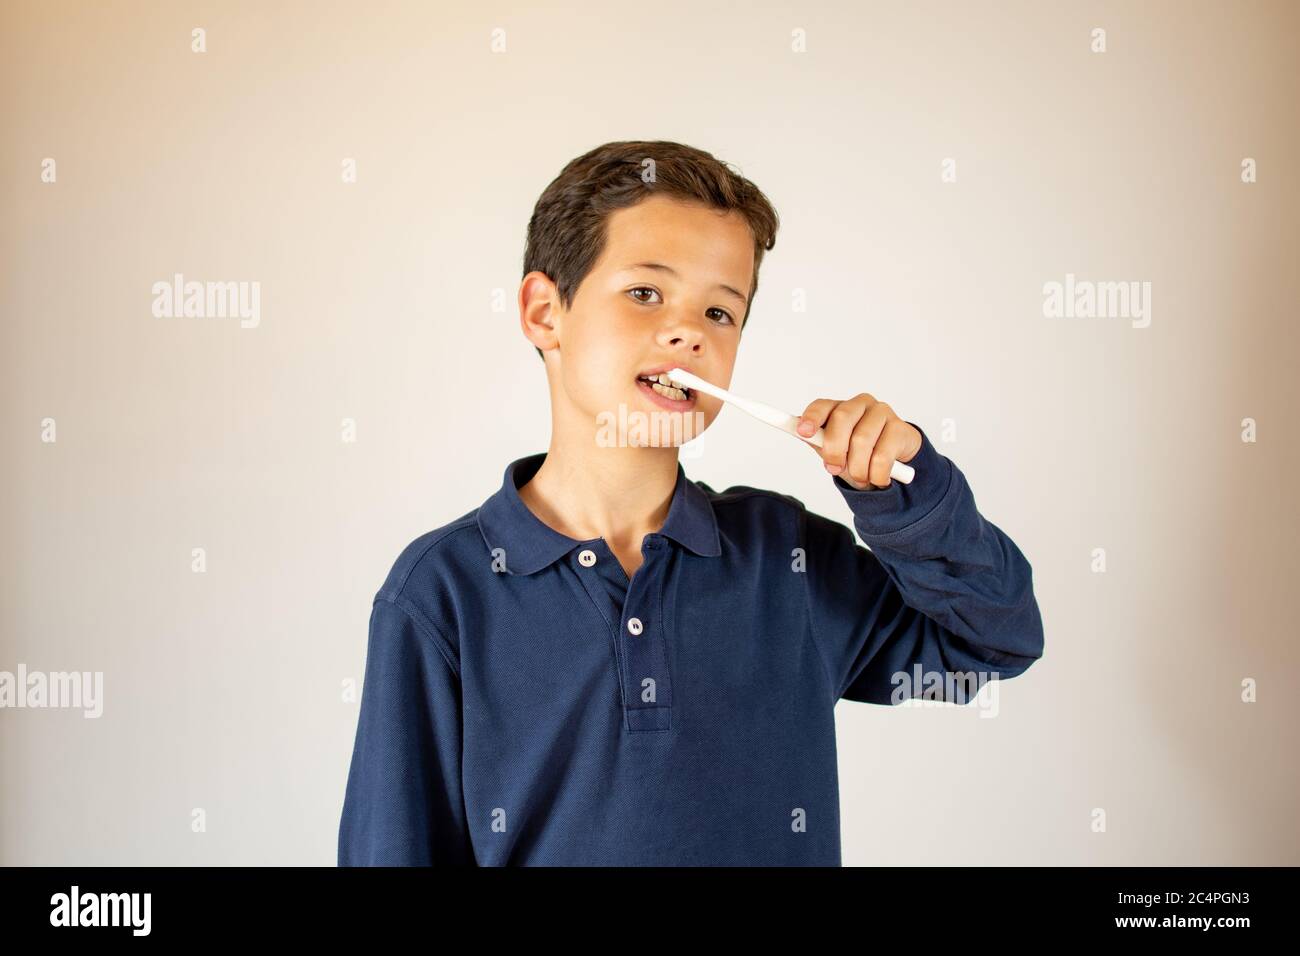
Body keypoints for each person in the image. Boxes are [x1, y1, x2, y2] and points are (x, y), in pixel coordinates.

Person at [338, 140, 1044, 866]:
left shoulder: (787, 560)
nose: (689, 334)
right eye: (646, 294)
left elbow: (992, 645)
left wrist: (906, 495)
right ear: (546, 313)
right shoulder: (441, 594)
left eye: (719, 311)